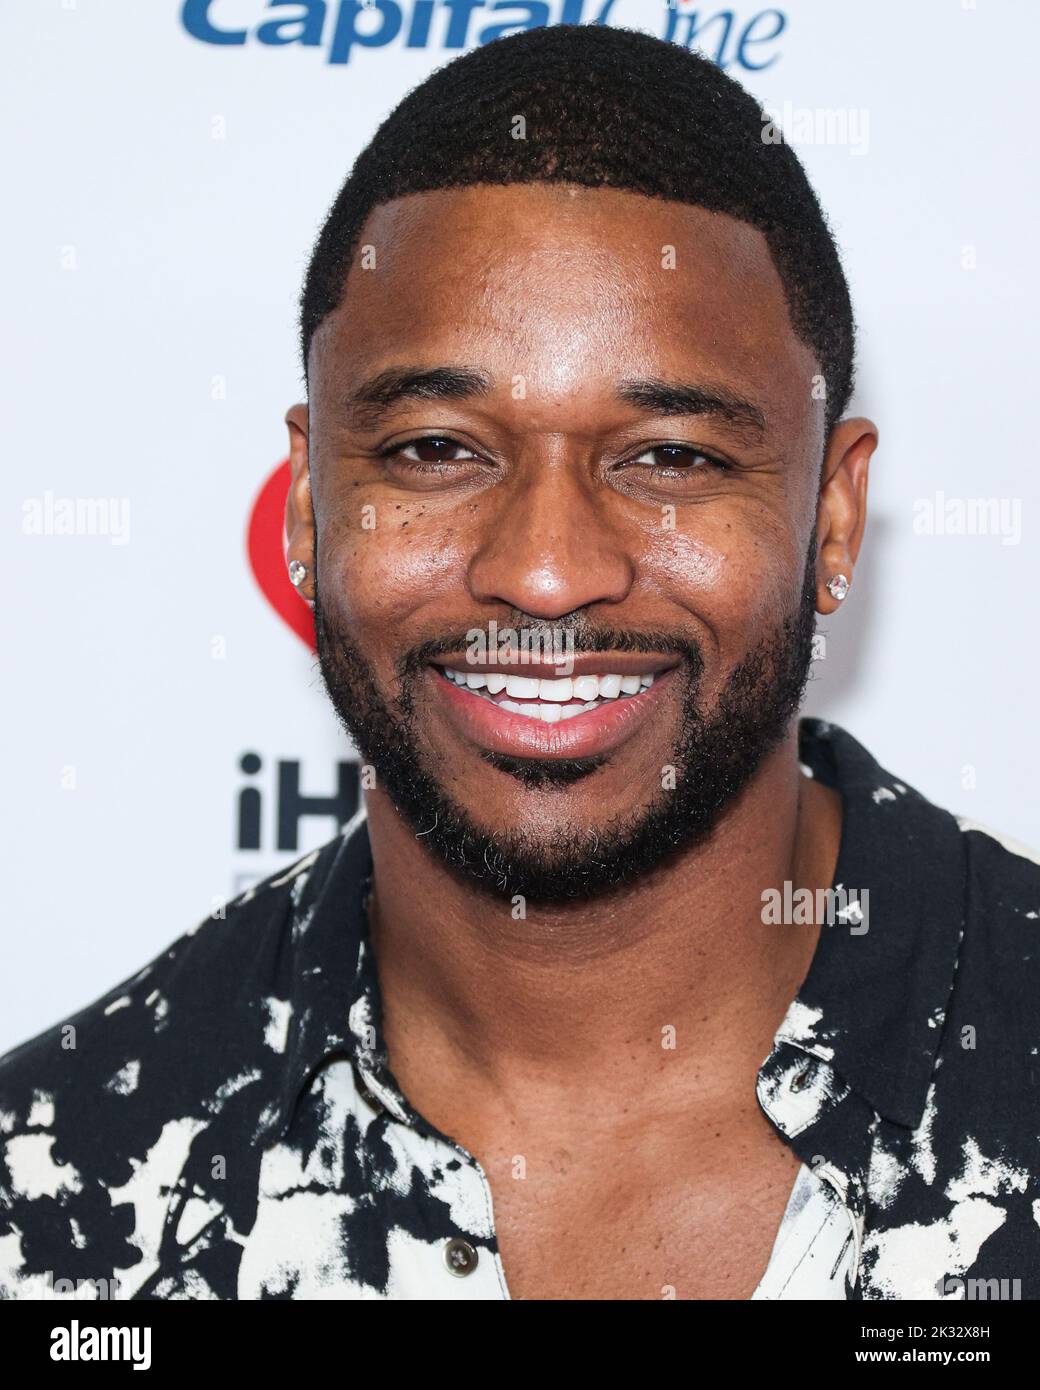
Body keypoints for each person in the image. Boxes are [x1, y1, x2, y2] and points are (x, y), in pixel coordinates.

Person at [2, 23, 1038, 1302]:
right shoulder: (53, 1190)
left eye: (670, 455)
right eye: (438, 450)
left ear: (830, 520)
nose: (546, 572)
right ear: (309, 512)